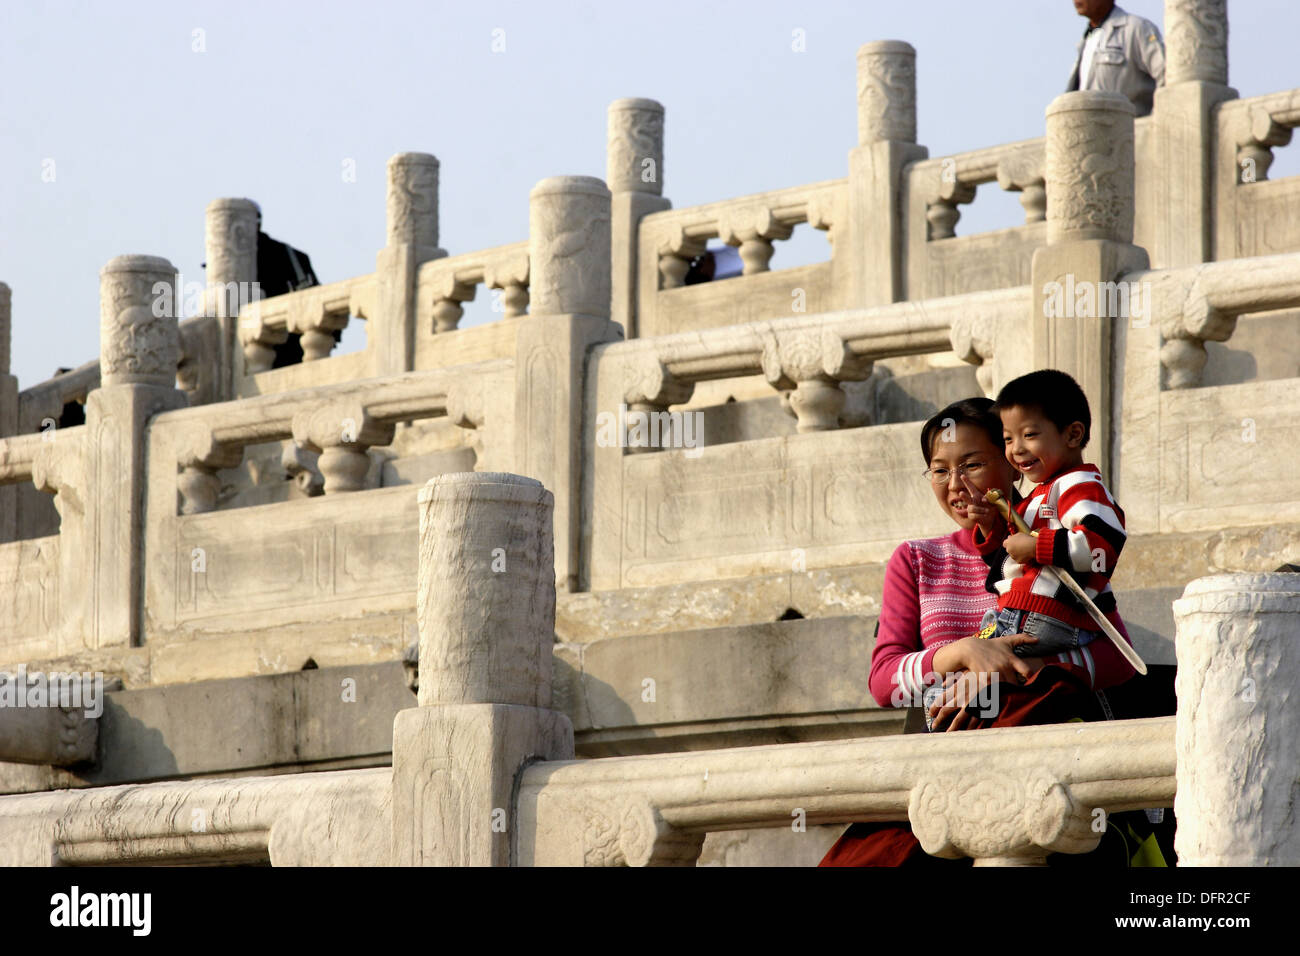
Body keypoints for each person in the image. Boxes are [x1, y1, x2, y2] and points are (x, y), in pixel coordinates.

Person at [819, 397, 1138, 867]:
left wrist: (1019, 669)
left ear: (1011, 465)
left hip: (1043, 779)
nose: (956, 485)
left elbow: (1118, 657)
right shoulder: (916, 560)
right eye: (939, 470)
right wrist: (964, 654)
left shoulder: (1053, 546)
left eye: (972, 465)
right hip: (939, 777)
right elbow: (884, 681)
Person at [968, 370, 1128, 666]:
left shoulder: (1082, 486)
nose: (1016, 449)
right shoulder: (1039, 494)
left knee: (979, 671)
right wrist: (991, 527)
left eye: (1029, 435)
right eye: (1008, 438)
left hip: (1047, 615)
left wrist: (1036, 546)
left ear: (1073, 434)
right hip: (1019, 611)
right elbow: (1009, 560)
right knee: (969, 670)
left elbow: (1102, 546)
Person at [1066, 0, 1165, 117]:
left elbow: (1168, 75)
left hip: (1128, 131)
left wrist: (1155, 124)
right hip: (1091, 131)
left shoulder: (1136, 28)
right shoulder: (1086, 42)